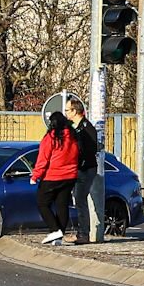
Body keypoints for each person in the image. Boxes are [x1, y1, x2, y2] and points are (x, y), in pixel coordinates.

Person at [30, 110, 80, 245]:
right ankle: (59, 236)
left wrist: (35, 176)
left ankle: (54, 229)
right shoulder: (73, 136)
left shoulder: (51, 138)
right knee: (62, 205)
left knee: (42, 203)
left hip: (52, 176)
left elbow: (43, 159)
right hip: (70, 176)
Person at [66, 95, 103, 243]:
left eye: (68, 110)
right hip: (81, 168)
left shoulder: (86, 128)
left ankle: (83, 234)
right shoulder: (77, 127)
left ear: (75, 111)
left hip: (86, 168)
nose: (66, 113)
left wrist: (78, 160)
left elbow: (89, 149)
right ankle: (82, 232)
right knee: (78, 198)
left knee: (80, 199)